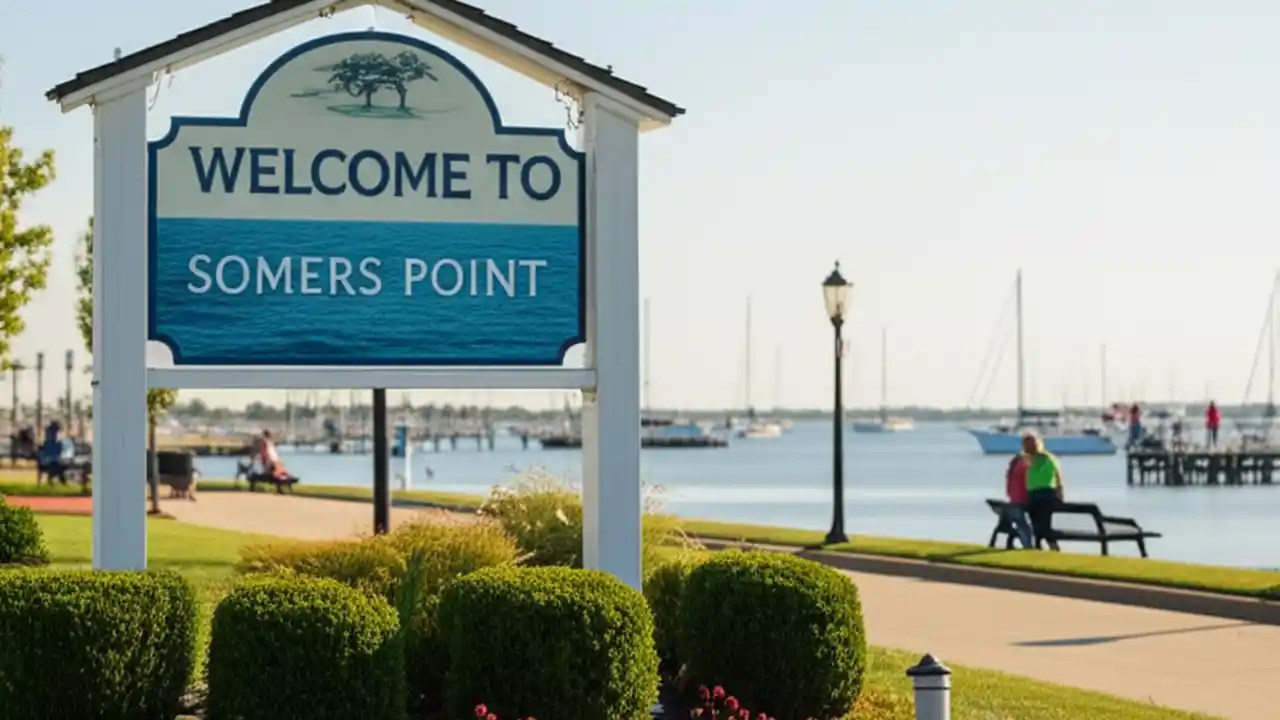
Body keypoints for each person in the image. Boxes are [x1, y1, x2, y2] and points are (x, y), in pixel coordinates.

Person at [1021, 432, 1063, 551]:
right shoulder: (1050, 457)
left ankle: (1050, 545)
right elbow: (1059, 477)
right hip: (1047, 494)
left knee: (1040, 524)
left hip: (1039, 495)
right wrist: (1060, 493)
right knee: (1041, 523)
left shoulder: (1032, 459)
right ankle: (1046, 545)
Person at [1002, 452, 1034, 548]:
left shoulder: (1011, 470)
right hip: (1022, 502)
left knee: (1022, 524)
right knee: (1027, 525)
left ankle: (1026, 545)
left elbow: (1008, 491)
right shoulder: (1024, 468)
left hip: (1013, 503)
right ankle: (1028, 546)